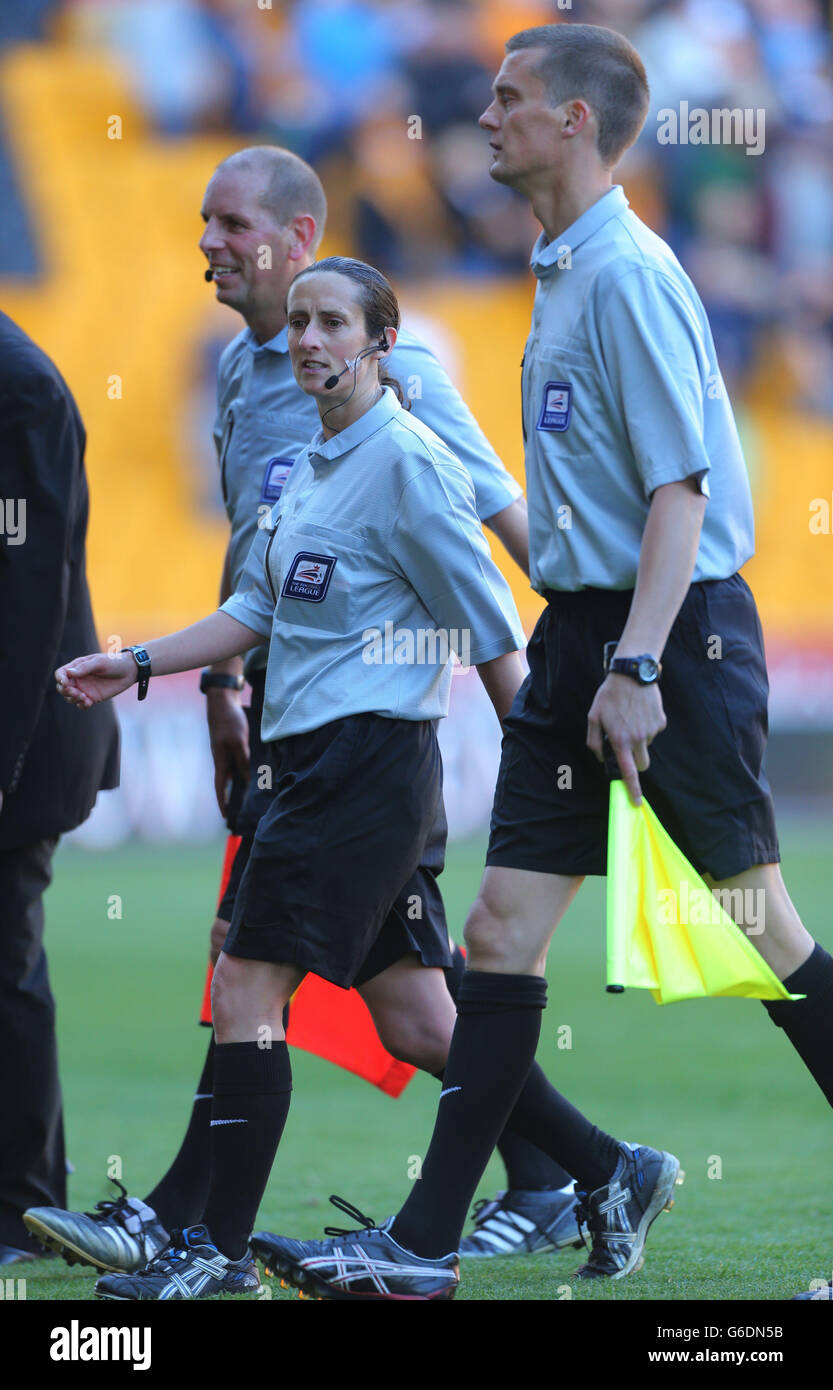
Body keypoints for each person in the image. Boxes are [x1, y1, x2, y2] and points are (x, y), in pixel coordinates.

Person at [256, 22, 833, 1303]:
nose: (489, 115)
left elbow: (679, 493)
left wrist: (633, 665)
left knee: (759, 932)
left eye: (511, 99)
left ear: (574, 122)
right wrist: (589, 651)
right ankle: (418, 1249)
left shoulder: (625, 273)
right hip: (584, 631)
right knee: (500, 933)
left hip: (662, 633)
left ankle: (441, 1234)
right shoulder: (562, 265)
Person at [23, 145, 578, 1278]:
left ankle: (192, 1235)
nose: (209, 245)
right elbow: (251, 587)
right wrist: (163, 671)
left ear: (306, 244)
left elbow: (485, 558)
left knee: (247, 978)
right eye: (204, 223)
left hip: (362, 749)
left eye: (232, 225)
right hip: (287, 727)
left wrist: (550, 743)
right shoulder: (265, 402)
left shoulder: (403, 417)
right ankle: (584, 1163)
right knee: (410, 1013)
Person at [0, 312, 120, 1263]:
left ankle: (24, 1215)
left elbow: (32, 595)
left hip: (26, 735)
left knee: (6, 962)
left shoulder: (19, 387)